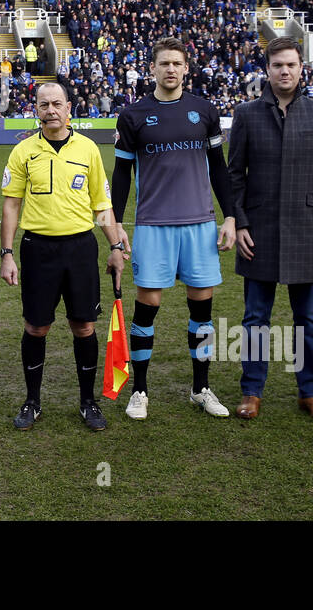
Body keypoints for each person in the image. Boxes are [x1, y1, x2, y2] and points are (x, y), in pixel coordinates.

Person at [109, 37, 234, 420]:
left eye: (177, 63)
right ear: (153, 69)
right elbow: (122, 175)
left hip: (199, 224)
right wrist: (115, 225)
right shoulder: (133, 116)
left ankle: (201, 388)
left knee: (202, 310)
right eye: (164, 63)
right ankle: (140, 391)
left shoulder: (205, 111)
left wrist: (230, 216)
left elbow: (221, 169)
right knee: (148, 308)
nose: (171, 69)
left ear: (186, 69)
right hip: (153, 226)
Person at [221, 37, 313, 422]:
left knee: (309, 319)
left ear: (301, 68)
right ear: (267, 70)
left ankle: (310, 391)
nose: (284, 71)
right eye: (277, 66)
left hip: (308, 229)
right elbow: (234, 175)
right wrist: (240, 221)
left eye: (291, 65)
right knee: (256, 317)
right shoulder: (247, 114)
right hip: (259, 231)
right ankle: (251, 390)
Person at [0, 81, 128, 431]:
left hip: (80, 249)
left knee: (83, 325)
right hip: (38, 249)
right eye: (45, 105)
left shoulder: (88, 150)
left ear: (69, 107)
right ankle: (32, 401)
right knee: (36, 326)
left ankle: (88, 402)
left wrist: (115, 245)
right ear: (36, 109)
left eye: (58, 104)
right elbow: (11, 205)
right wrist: (7, 253)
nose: (51, 110)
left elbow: (101, 205)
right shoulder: (23, 151)